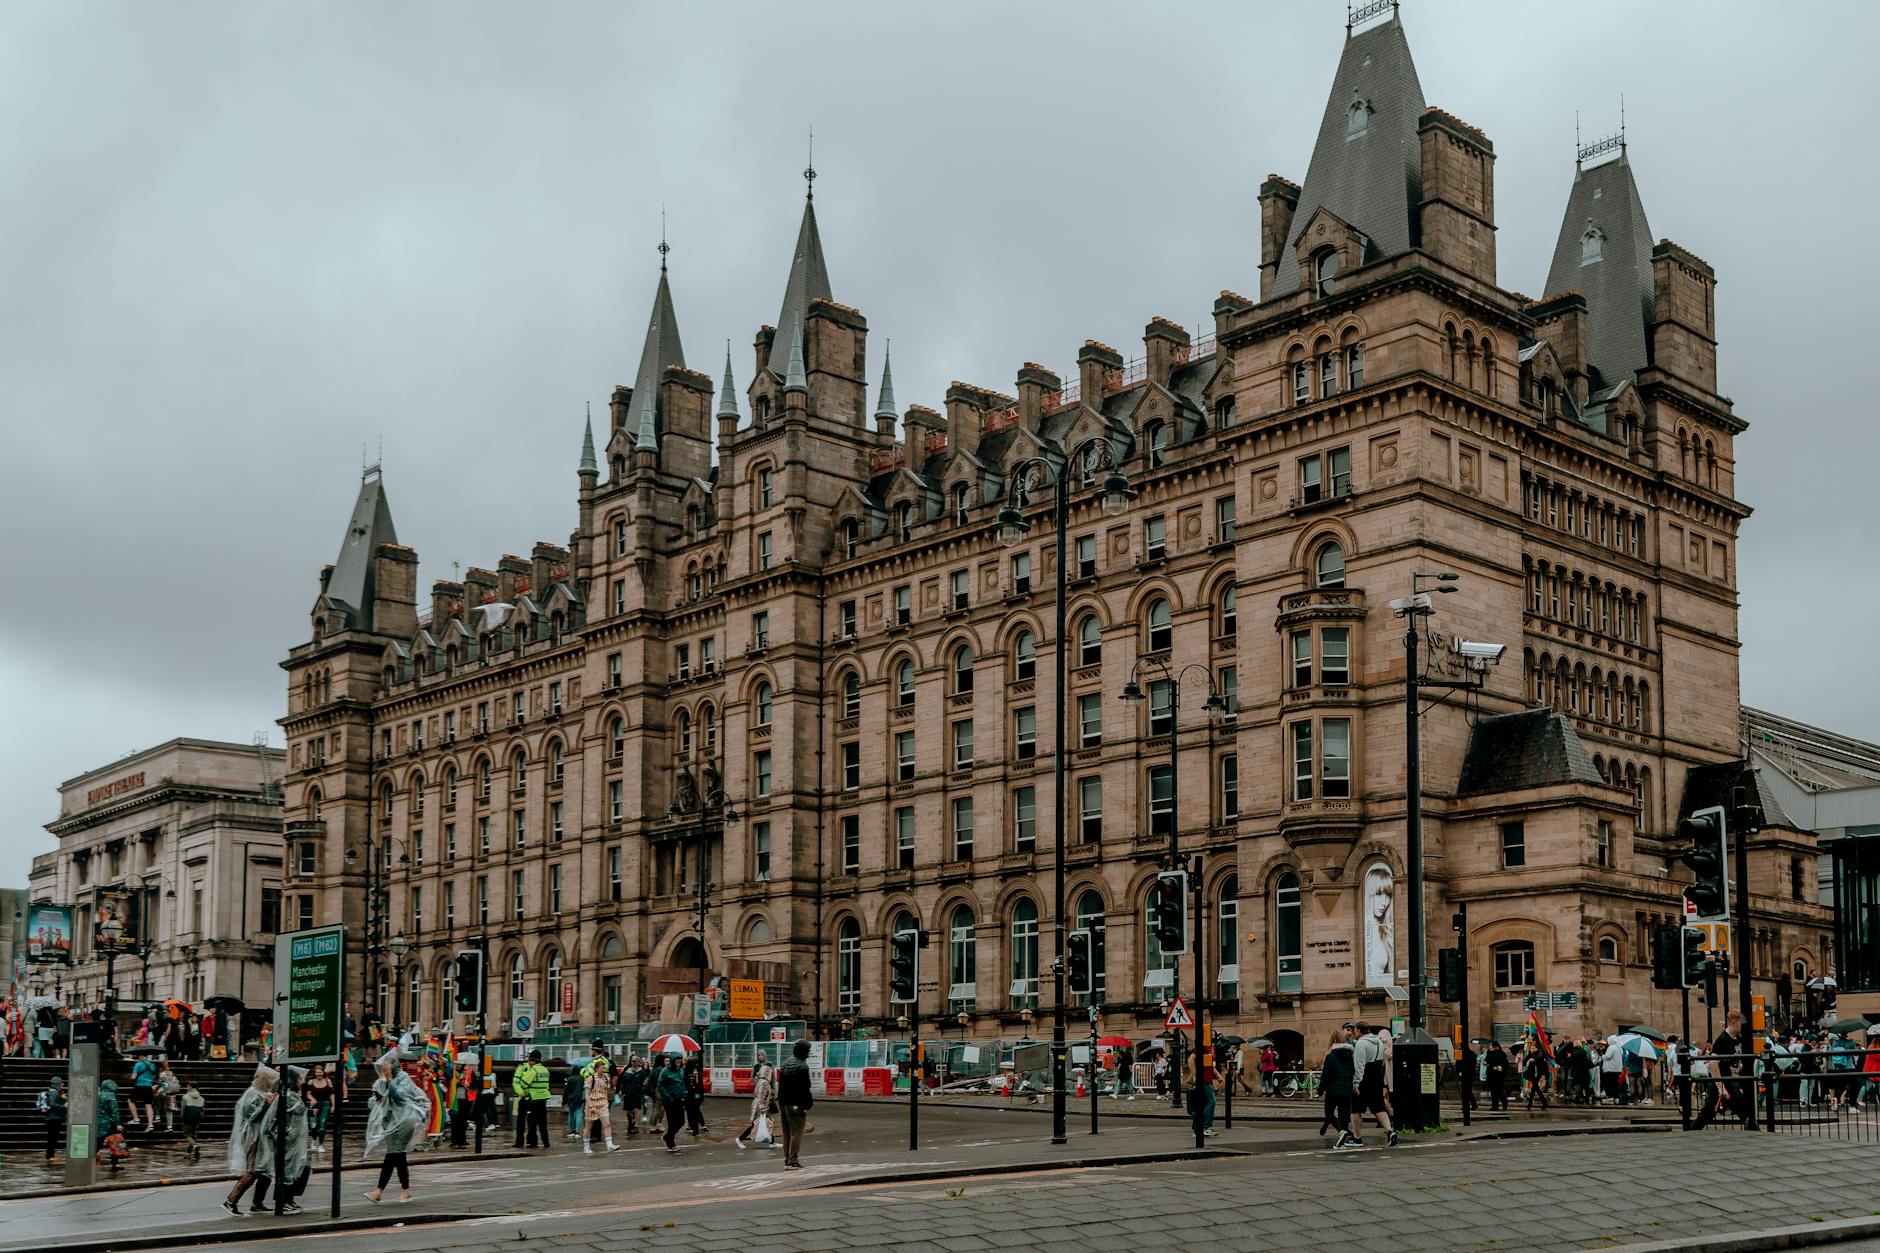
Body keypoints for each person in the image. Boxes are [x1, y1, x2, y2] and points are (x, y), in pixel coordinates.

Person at [364, 1053, 429, 1203]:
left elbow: (400, 1096)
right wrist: (378, 1097)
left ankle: (380, 1191)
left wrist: (390, 1081)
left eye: (386, 1066)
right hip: (391, 1121)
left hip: (405, 1120)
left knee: (395, 1153)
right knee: (395, 1155)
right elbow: (372, 1103)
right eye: (381, 1067)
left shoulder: (403, 1077)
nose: (383, 1069)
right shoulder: (380, 1081)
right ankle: (402, 1190)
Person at [253, 1067, 312, 1215]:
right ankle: (283, 1199)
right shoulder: (287, 1097)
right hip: (289, 1141)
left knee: (300, 1169)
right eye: (299, 1079)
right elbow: (277, 1119)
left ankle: (289, 1198)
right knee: (289, 1171)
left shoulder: (295, 1096)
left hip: (297, 1142)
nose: (302, 1081)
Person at [223, 1065, 279, 1216]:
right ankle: (231, 1201)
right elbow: (250, 1117)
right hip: (253, 1137)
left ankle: (257, 1203)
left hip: (262, 1137)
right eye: (270, 1080)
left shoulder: (263, 1092)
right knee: (252, 1170)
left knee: (265, 1171)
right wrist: (265, 1104)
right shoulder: (252, 1093)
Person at [1350, 1023, 1396, 1147]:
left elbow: (1359, 1065)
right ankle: (1390, 1132)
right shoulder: (1379, 1042)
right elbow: (1383, 1060)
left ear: (1359, 1030)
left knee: (1355, 1110)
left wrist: (1356, 1083)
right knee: (1378, 1107)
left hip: (1364, 1079)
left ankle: (1357, 1138)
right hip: (1376, 1078)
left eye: (1355, 1031)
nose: (1355, 1033)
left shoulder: (1361, 1043)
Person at [776, 1039, 814, 1169]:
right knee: (796, 1133)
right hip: (796, 1104)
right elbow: (805, 1087)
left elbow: (781, 1085)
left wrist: (781, 1102)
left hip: (784, 1103)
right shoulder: (802, 1066)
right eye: (808, 1049)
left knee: (787, 1133)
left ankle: (787, 1159)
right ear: (803, 1051)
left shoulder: (786, 1063)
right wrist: (807, 1105)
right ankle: (793, 1160)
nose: (809, 1052)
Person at [1318, 1025, 1356, 1148]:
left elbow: (1326, 1076)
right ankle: (1344, 1138)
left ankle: (1342, 1131)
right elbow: (1352, 1072)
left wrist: (1320, 1089)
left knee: (1329, 1113)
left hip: (1333, 1091)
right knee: (1344, 1115)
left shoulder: (1331, 1056)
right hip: (1346, 1090)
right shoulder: (1350, 1056)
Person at [735, 1051, 776, 1148]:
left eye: (760, 1055)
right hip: (762, 1104)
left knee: (769, 1121)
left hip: (765, 1100)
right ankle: (740, 1138)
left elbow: (773, 1080)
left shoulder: (769, 1067)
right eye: (757, 1055)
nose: (759, 1056)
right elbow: (760, 1095)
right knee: (757, 1122)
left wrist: (772, 1093)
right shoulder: (762, 1080)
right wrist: (762, 1107)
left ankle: (772, 1142)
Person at [582, 1045, 619, 1154]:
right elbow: (587, 1094)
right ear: (597, 1068)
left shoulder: (606, 1078)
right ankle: (586, 1146)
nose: (605, 1069)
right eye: (602, 1067)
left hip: (603, 1103)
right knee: (589, 1126)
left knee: (607, 1123)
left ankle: (609, 1144)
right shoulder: (590, 1078)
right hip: (592, 1103)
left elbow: (607, 1090)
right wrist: (590, 1105)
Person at [511, 1048, 550, 1148]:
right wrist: (520, 1093)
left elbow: (523, 1084)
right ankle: (521, 1141)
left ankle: (531, 1142)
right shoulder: (522, 1068)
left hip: (531, 1098)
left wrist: (524, 1091)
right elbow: (516, 1082)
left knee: (532, 1121)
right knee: (522, 1121)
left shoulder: (534, 1070)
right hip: (528, 1098)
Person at [657, 1053, 689, 1153]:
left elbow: (683, 1082)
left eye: (680, 1059)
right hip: (669, 1100)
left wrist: (684, 1092)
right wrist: (668, 1096)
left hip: (680, 1098)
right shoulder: (665, 1071)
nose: (679, 1061)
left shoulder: (681, 1070)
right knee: (671, 1121)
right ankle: (671, 1143)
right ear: (672, 1060)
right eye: (677, 1060)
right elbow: (660, 1085)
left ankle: (668, 1137)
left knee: (681, 1121)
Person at [96, 1077, 125, 1169]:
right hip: (109, 1123)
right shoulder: (111, 1096)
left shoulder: (98, 1095)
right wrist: (118, 1124)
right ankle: (115, 1164)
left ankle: (90, 1160)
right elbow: (114, 1112)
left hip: (98, 1122)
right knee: (115, 1143)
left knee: (97, 1143)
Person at [305, 1063, 334, 1153]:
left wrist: (333, 1105)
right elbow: (308, 1094)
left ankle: (321, 1144)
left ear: (323, 1072)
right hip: (314, 1105)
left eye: (320, 1072)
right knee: (313, 1124)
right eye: (317, 1072)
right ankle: (314, 1140)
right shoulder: (311, 1082)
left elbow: (332, 1094)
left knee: (322, 1123)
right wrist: (312, 1099)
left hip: (325, 1104)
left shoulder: (328, 1081)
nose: (319, 1074)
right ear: (314, 1073)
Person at [38, 1074, 66, 1161]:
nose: (63, 1084)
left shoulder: (55, 1091)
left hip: (53, 1118)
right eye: (61, 1083)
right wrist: (63, 1106)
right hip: (54, 1118)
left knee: (53, 1137)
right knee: (53, 1137)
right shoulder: (54, 1092)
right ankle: (50, 1156)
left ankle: (50, 1155)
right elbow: (52, 1103)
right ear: (58, 1083)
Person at [129, 1052, 159, 1132]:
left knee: (130, 1100)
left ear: (140, 1055)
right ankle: (150, 1125)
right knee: (148, 1105)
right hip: (149, 1086)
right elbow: (154, 1075)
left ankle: (136, 1118)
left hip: (139, 1086)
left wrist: (131, 1077)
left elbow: (133, 1077)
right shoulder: (152, 1065)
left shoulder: (138, 1064)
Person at [618, 1056, 646, 1136]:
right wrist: (621, 1091)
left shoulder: (641, 1072)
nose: (633, 1063)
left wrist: (644, 1092)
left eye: (635, 1061)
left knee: (637, 1109)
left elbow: (644, 1083)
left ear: (638, 1062)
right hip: (628, 1094)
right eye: (632, 1061)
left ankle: (636, 1125)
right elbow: (622, 1082)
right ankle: (631, 1122)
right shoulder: (627, 1071)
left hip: (637, 1094)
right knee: (628, 1111)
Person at [682, 1055, 708, 1135]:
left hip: (692, 1094)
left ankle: (694, 1126)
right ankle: (700, 1125)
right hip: (698, 1094)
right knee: (696, 1109)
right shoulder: (696, 1071)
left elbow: (689, 1083)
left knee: (692, 1110)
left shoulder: (687, 1071)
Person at [562, 1060, 587, 1144]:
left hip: (570, 1099)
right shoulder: (582, 1079)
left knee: (571, 1114)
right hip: (579, 1098)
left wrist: (564, 1101)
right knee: (579, 1114)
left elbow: (566, 1091)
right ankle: (577, 1131)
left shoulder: (569, 1079)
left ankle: (571, 1131)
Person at [182, 1081, 206, 1160]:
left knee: (187, 1135)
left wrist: (182, 1117)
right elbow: (202, 1109)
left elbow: (183, 1109)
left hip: (188, 1118)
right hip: (196, 1119)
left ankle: (195, 1146)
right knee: (193, 1135)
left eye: (187, 1086)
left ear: (191, 1087)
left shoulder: (185, 1097)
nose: (186, 1088)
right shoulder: (201, 1098)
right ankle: (189, 1152)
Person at [1484, 1042, 1512, 1111]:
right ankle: (1495, 1106)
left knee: (1499, 1090)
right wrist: (1486, 1063)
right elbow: (1487, 1061)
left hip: (1498, 1075)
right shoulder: (1489, 1053)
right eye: (1490, 1047)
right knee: (1493, 1091)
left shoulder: (1501, 1054)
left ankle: (1504, 1102)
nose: (1490, 1048)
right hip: (1491, 1074)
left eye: (1492, 1047)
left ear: (1496, 1047)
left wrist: (1501, 1066)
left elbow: (1505, 1063)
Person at [1457, 1041, 1477, 1116]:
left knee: (1466, 1089)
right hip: (1469, 1073)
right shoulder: (1472, 1053)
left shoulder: (1461, 1052)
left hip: (1466, 1073)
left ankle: (1469, 1104)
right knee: (1467, 1089)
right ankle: (1471, 1104)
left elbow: (1458, 1063)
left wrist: (1459, 1071)